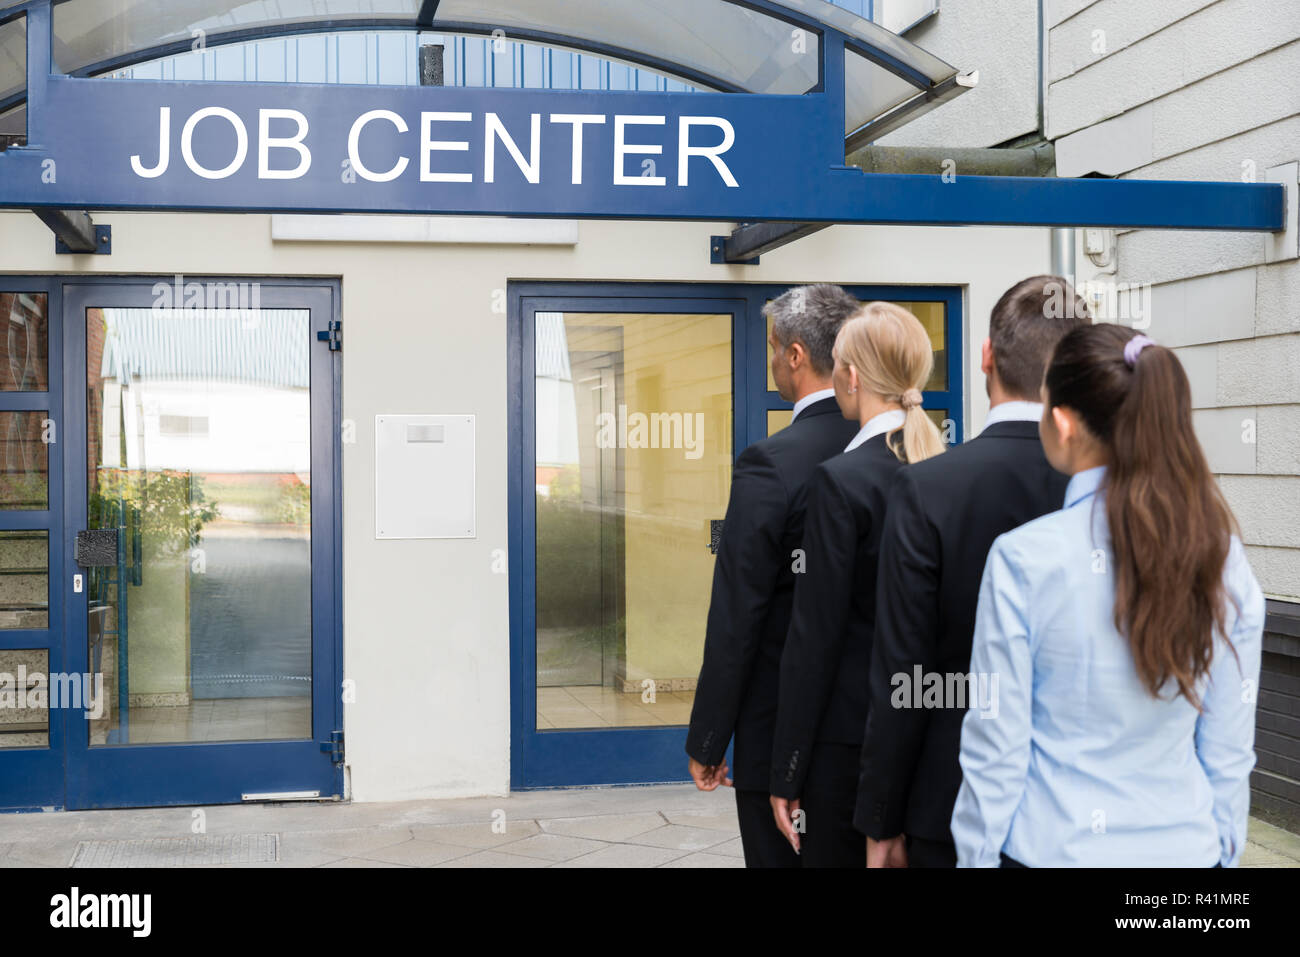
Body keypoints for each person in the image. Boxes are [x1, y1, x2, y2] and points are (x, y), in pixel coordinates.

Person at [952, 323, 1265, 867]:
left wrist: (974, 859)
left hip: (1056, 850)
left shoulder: (1022, 559)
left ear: (1065, 422)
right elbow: (1229, 748)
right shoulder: (1222, 557)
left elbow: (996, 751)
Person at [854, 275, 1090, 868]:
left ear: (986, 356)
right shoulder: (1128, 491)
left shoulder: (928, 488)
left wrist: (881, 817)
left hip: (951, 801)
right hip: (1093, 811)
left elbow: (903, 670)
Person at [686, 283, 863, 868]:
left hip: (781, 730)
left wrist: (709, 739)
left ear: (795, 356)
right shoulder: (904, 451)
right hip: (878, 731)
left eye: (771, 348)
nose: (769, 361)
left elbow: (739, 612)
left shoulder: (771, 462)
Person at [768, 302, 946, 867]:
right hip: (932, 736)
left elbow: (813, 638)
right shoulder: (945, 470)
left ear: (849, 377)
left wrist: (786, 768)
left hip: (847, 749)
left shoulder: (839, 482)